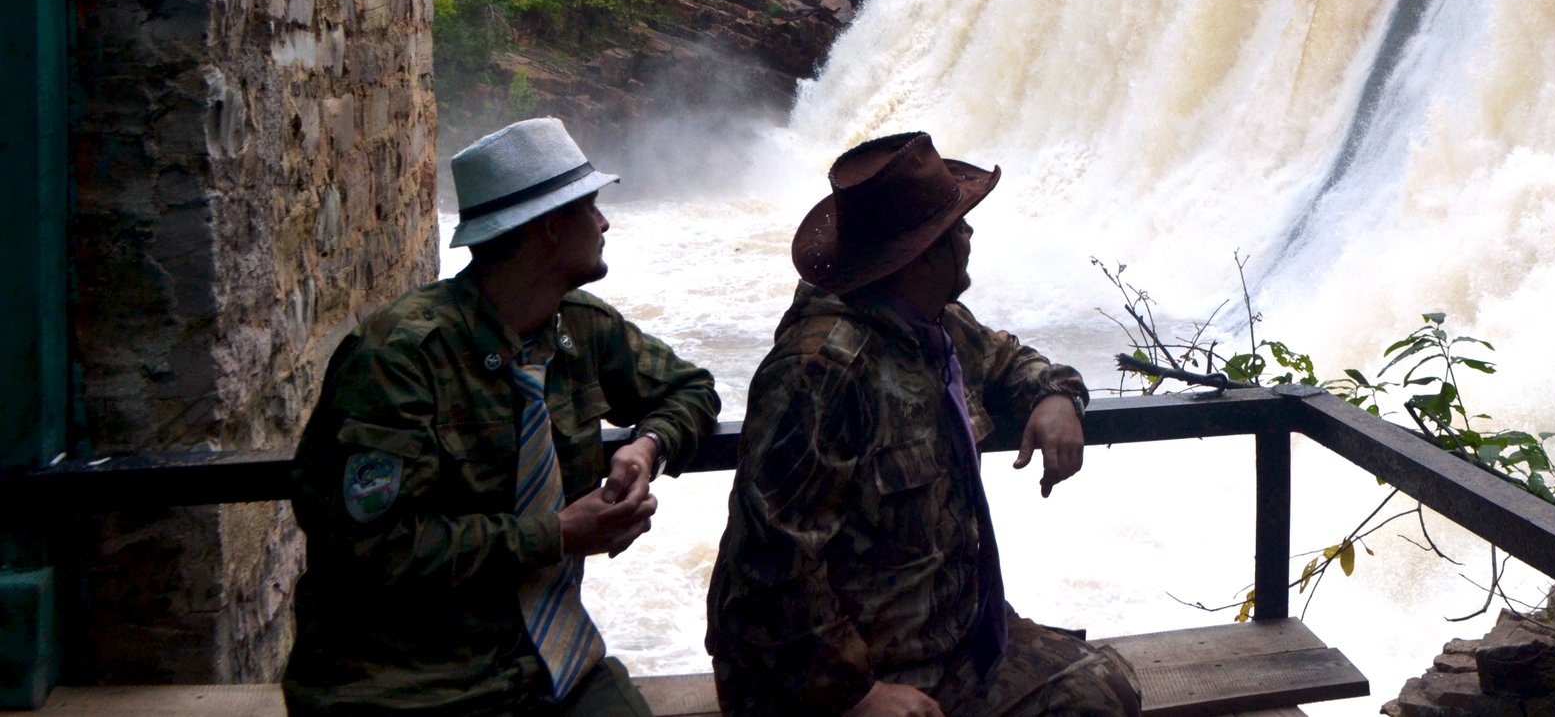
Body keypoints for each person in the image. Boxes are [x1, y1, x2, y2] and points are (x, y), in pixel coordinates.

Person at [284, 117, 720, 717]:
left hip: (549, 662)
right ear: (547, 230)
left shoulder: (582, 327)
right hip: (406, 685)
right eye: (589, 207)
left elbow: (691, 389)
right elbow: (367, 547)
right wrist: (559, 535)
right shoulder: (398, 357)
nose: (604, 222)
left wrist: (648, 445)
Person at [705, 132, 1140, 717]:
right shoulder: (821, 370)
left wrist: (1054, 397)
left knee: (1103, 687)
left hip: (945, 639)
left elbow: (1010, 360)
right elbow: (766, 568)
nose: (969, 234)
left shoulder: (932, 326)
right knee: (1094, 699)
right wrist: (856, 696)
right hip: (834, 678)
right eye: (957, 225)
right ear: (923, 254)